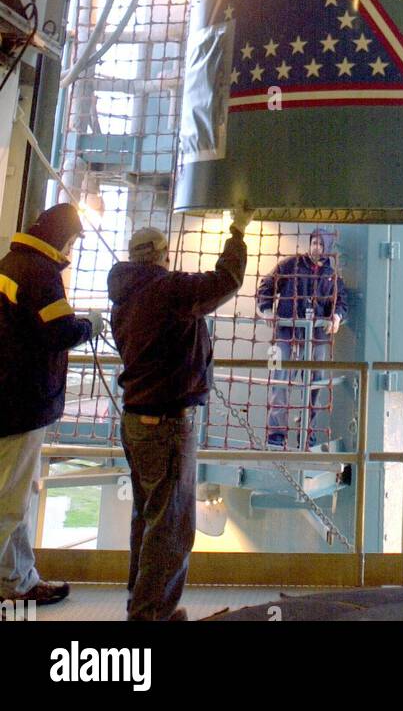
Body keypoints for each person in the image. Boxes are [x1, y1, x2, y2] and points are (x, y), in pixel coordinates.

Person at [107, 206, 251, 622]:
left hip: (137, 420)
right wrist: (237, 231)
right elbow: (226, 280)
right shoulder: (167, 289)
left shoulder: (124, 296)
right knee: (170, 527)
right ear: (163, 255)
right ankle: (151, 615)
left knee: (149, 520)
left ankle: (146, 606)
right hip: (165, 424)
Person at [0, 202, 101, 607]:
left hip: (8, 400)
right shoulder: (41, 273)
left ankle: (18, 580)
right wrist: (91, 325)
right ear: (62, 238)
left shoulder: (10, 264)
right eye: (73, 240)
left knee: (13, 499)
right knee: (8, 505)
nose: (72, 249)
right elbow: (59, 331)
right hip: (23, 405)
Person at [257, 226, 348, 450]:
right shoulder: (291, 265)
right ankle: (276, 436)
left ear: (328, 247)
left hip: (316, 338)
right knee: (280, 382)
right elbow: (267, 285)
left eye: (321, 244)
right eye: (314, 243)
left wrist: (336, 316)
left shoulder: (332, 276)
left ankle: (308, 434)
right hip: (286, 334)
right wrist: (267, 309)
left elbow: (341, 302)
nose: (316, 247)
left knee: (315, 385)